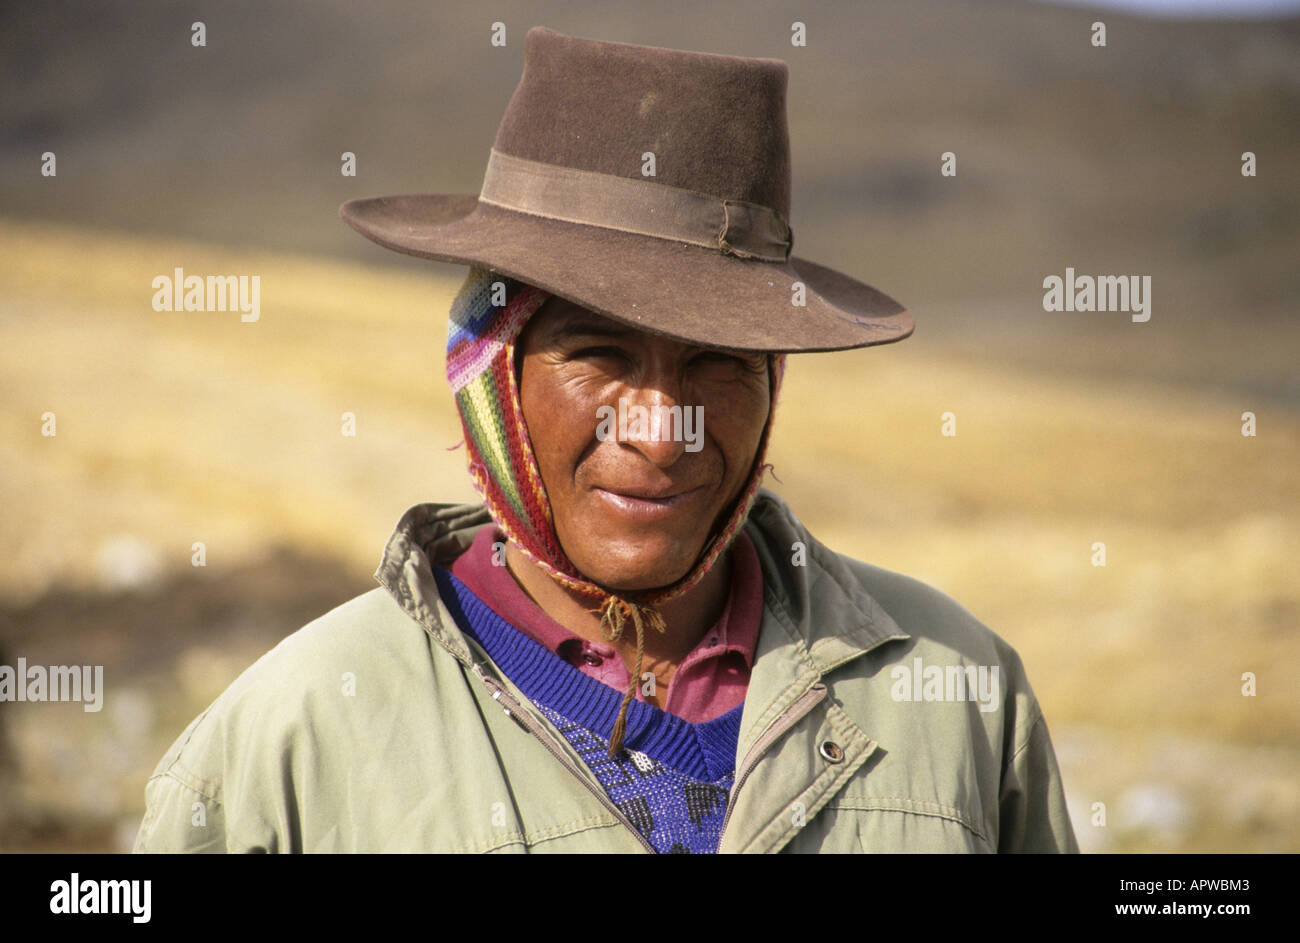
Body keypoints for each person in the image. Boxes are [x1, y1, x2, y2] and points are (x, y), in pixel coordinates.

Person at [133, 26, 1078, 853]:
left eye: (718, 361)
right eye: (595, 352)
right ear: (489, 376)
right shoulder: (285, 747)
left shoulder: (958, 692)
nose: (663, 432)